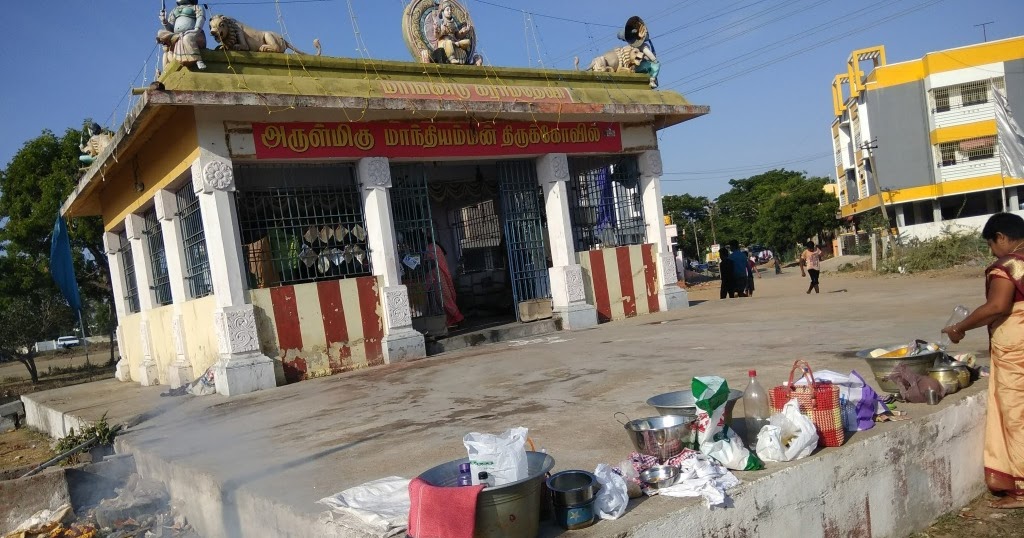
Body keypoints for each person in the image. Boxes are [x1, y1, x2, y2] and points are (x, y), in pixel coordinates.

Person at [941, 212, 1024, 509]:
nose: (992, 251)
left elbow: (997, 306)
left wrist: (959, 328)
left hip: (1016, 348)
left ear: (1001, 237)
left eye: (990, 244)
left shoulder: (1009, 265)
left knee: (1016, 414)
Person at [424, 239, 464, 329]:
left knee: (444, 298)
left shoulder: (431, 247)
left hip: (436, 276)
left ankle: (458, 318)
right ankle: (454, 319)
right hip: (438, 275)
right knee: (444, 298)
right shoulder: (434, 246)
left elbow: (432, 263)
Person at [157, 0, 207, 71]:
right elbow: (170, 29)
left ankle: (198, 60)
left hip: (194, 33)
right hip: (177, 35)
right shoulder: (174, 10)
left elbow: (201, 18)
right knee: (160, 33)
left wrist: (196, 29)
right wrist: (165, 21)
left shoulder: (196, 7)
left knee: (187, 38)